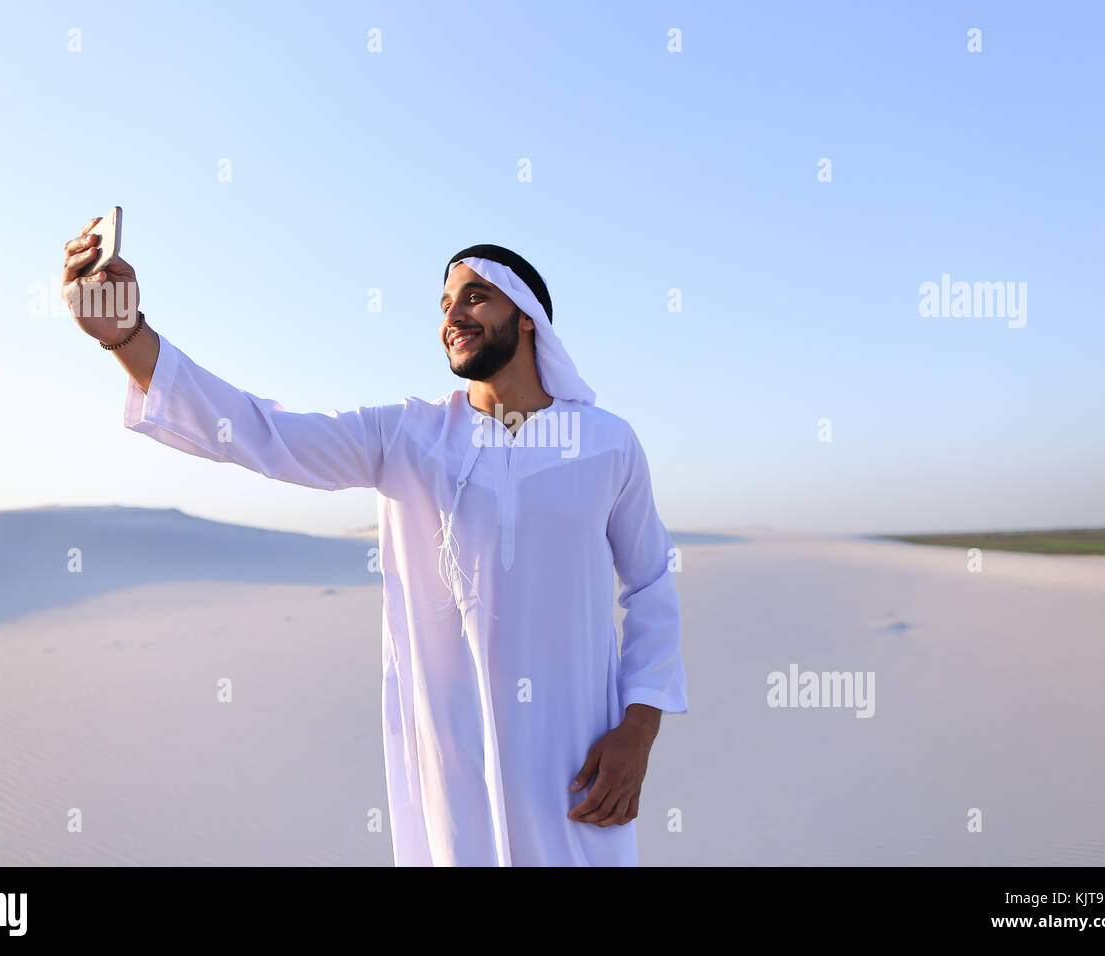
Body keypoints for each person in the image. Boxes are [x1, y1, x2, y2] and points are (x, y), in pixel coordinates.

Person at [61, 218, 689, 866]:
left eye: (475, 296)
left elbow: (650, 582)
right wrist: (127, 338)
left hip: (576, 772)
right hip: (453, 776)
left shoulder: (607, 443)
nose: (454, 315)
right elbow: (262, 432)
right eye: (446, 304)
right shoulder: (408, 436)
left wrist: (639, 730)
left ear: (527, 316)